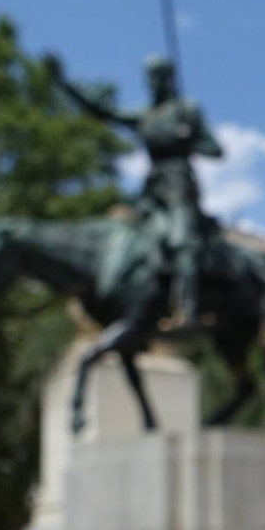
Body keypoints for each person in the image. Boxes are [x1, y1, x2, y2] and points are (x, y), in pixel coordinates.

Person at [50, 54, 223, 330]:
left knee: (181, 243)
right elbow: (104, 112)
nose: (151, 82)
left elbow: (216, 150)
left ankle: (188, 310)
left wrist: (190, 138)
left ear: (168, 79)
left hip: (179, 187)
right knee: (123, 237)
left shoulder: (186, 109)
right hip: (151, 191)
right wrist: (64, 84)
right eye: (149, 77)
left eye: (157, 76)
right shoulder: (148, 116)